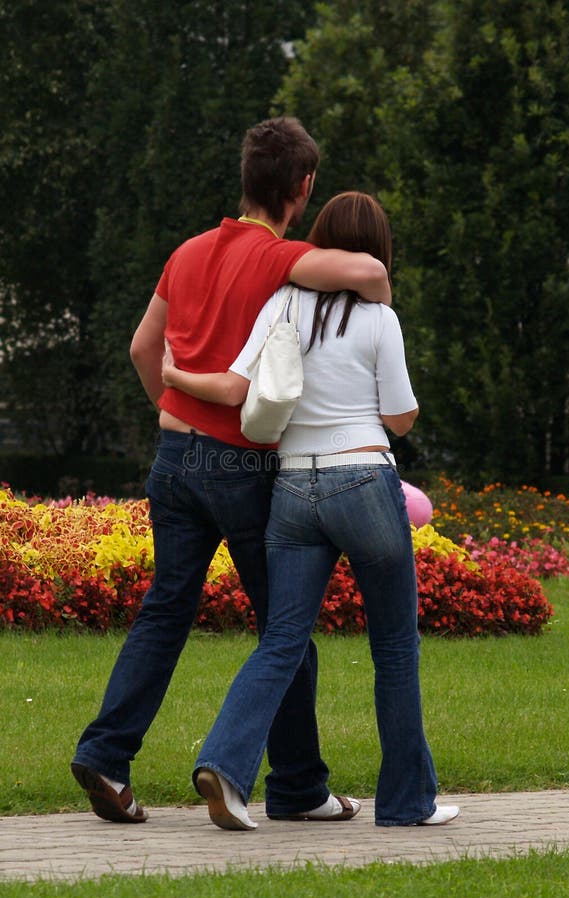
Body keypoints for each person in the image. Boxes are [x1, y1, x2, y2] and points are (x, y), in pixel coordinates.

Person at [70, 119, 391, 825]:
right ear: (302, 187)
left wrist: (172, 410)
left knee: (165, 611)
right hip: (240, 466)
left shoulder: (185, 253)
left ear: (245, 180)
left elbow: (140, 347)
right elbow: (367, 273)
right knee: (285, 627)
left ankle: (105, 754)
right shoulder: (282, 258)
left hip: (172, 457)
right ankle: (300, 786)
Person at [161, 191, 460, 829]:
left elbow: (240, 387)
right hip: (362, 480)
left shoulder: (281, 303)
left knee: (281, 641)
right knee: (395, 650)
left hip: (293, 491)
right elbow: (401, 416)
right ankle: (408, 803)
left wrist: (176, 378)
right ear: (377, 248)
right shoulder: (380, 317)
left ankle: (225, 764)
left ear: (320, 239)